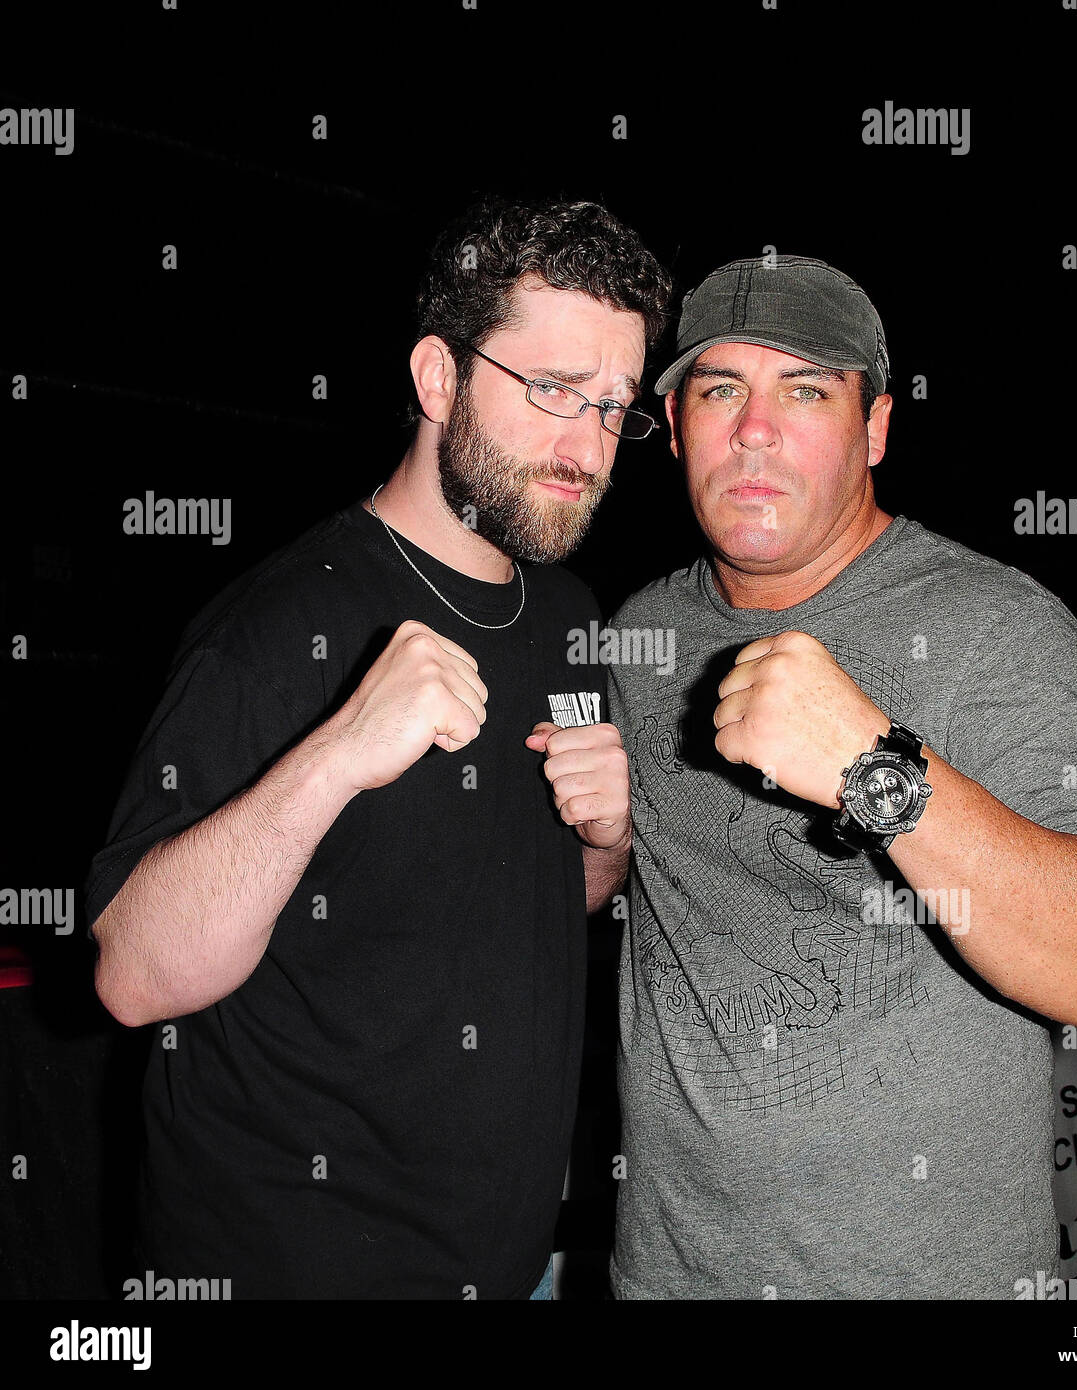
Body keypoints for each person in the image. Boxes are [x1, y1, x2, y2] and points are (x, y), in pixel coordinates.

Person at [84, 197, 668, 1299]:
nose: (584, 444)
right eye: (550, 390)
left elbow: (545, 899)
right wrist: (336, 753)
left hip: (509, 1265)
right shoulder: (275, 626)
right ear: (438, 380)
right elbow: (133, 975)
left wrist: (610, 838)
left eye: (612, 407)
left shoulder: (574, 617)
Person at [603, 254, 1077, 1299]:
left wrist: (874, 767)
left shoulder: (992, 631)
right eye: (719, 389)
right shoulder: (636, 639)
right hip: (669, 1276)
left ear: (874, 429)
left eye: (805, 391)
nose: (755, 430)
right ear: (677, 424)